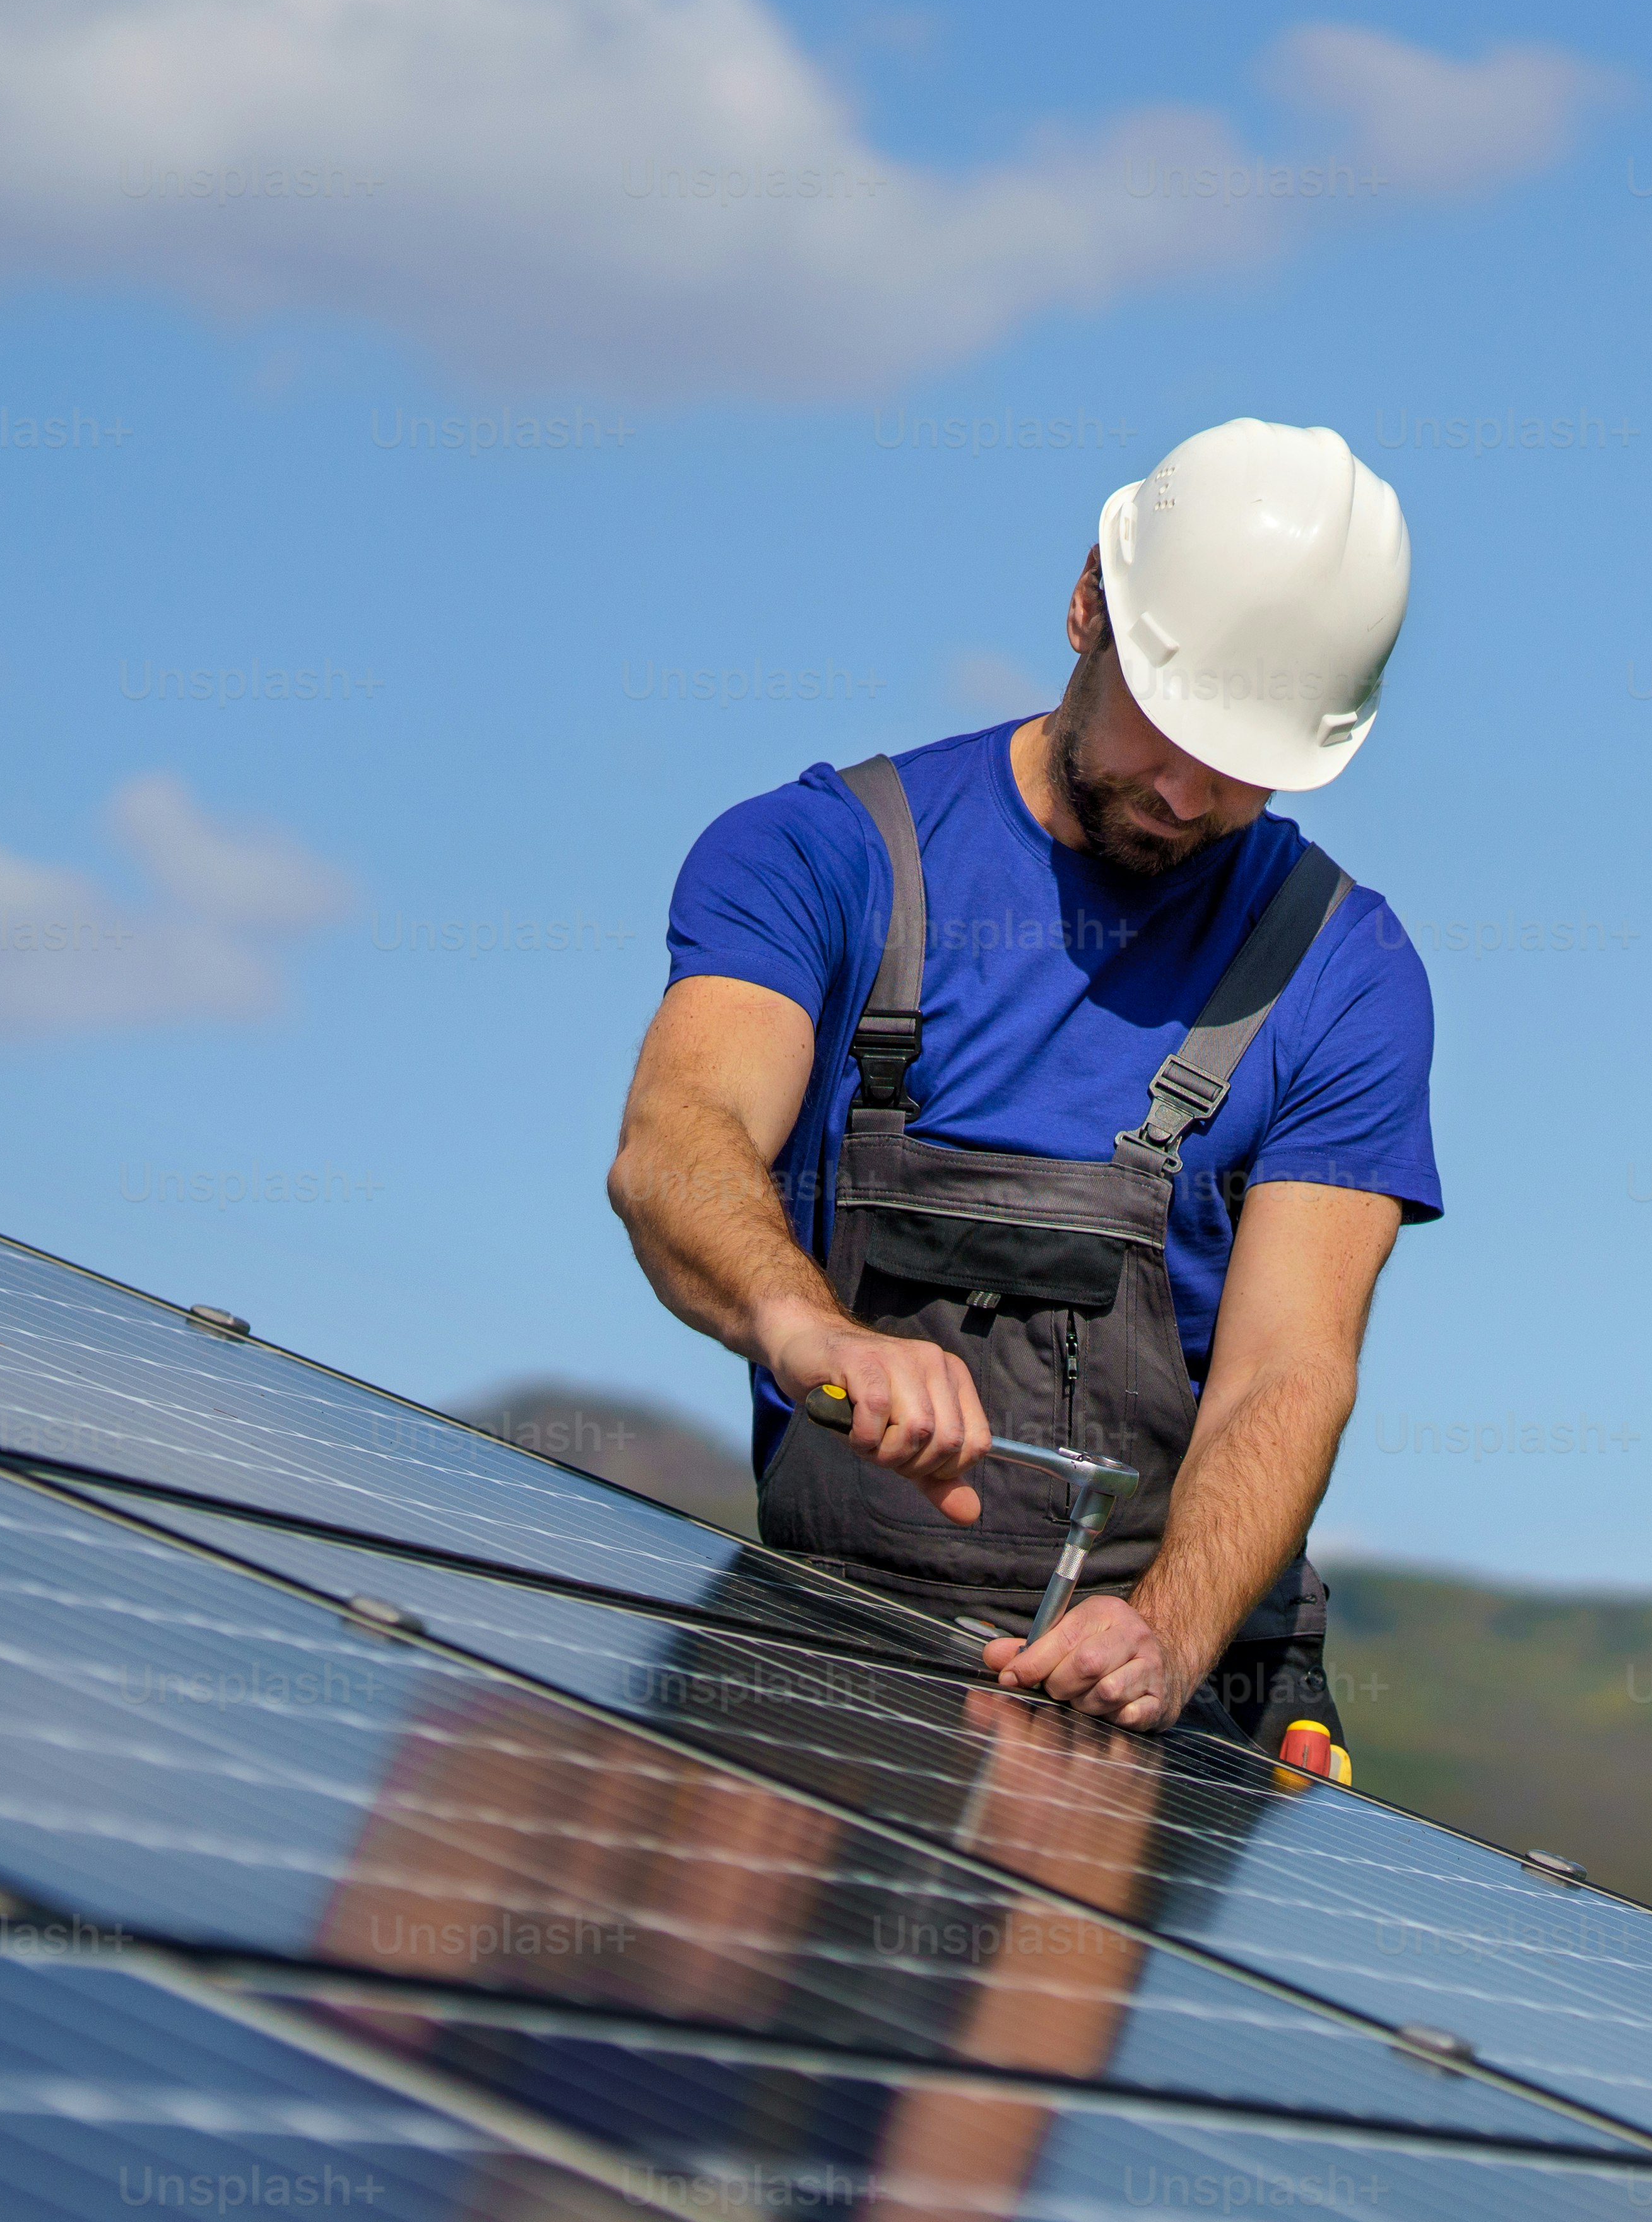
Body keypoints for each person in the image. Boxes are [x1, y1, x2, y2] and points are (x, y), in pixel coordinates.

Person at [606, 420, 1432, 1744]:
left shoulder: (1343, 969)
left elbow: (1290, 1365)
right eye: (1165, 724)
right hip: (841, 1638)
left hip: (1184, 1674)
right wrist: (801, 1322)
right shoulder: (822, 857)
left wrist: (1164, 1632)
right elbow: (679, 1140)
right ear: (1086, 604)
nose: (1184, 789)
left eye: (1241, 762)